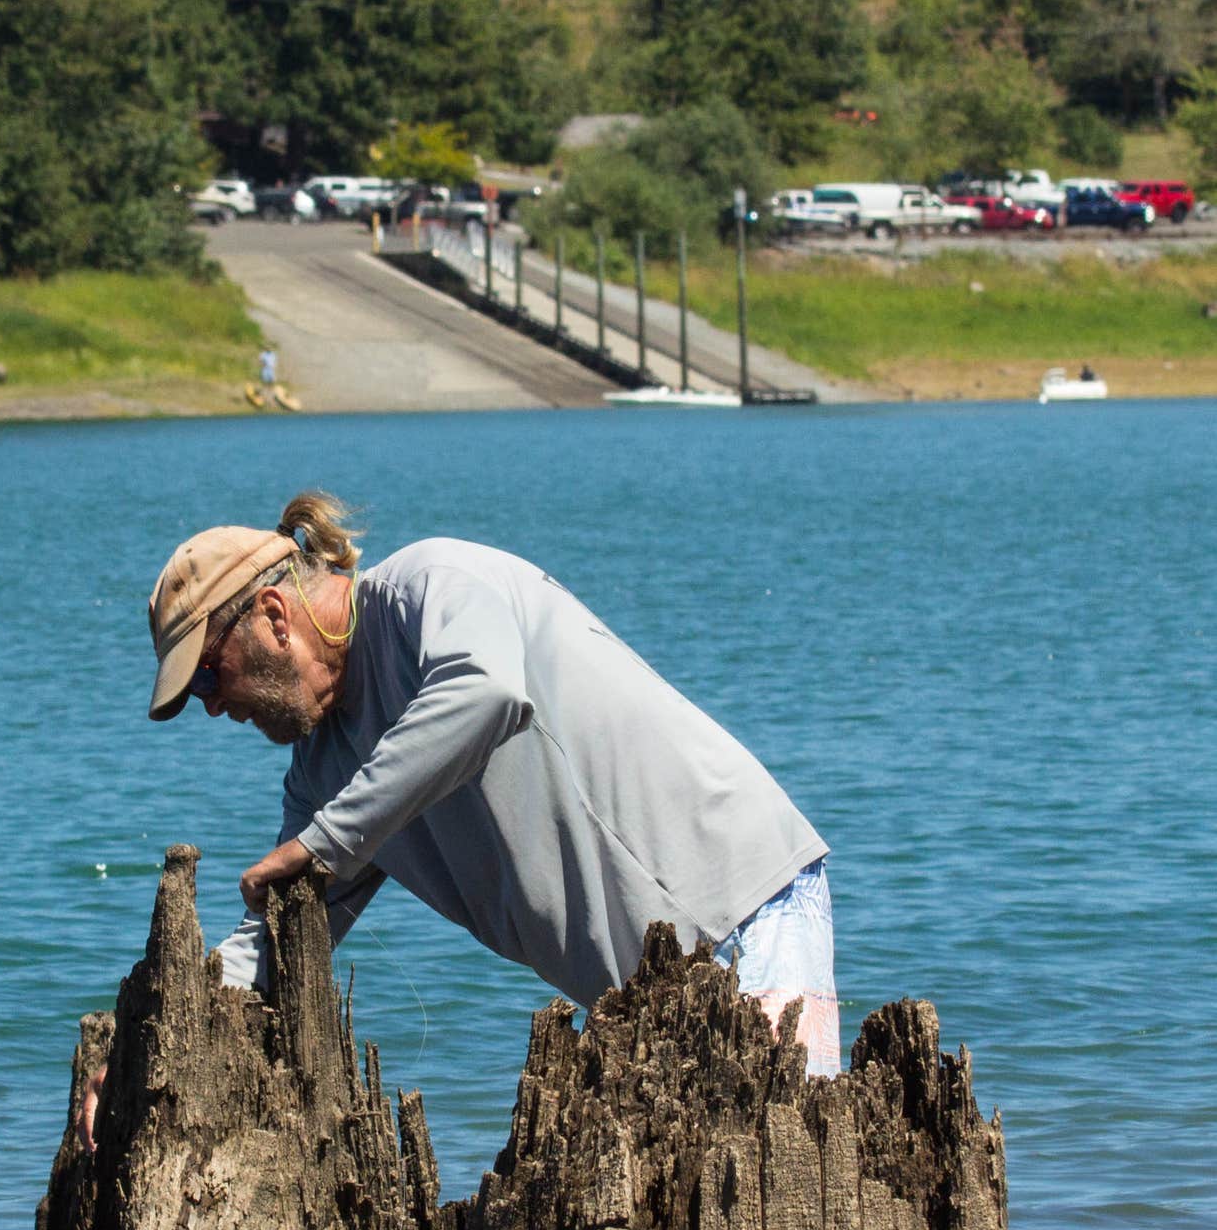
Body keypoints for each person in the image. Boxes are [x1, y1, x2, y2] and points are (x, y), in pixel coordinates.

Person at [80, 490, 834, 1146]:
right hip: (647, 993)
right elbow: (277, 939)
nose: (214, 705)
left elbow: (486, 693)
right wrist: (158, 1051)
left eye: (210, 672)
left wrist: (328, 842)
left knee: (784, 1193)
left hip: (743, 905)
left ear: (274, 615)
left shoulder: (429, 585)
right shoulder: (324, 771)